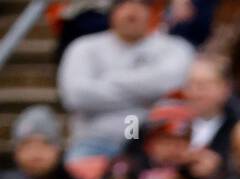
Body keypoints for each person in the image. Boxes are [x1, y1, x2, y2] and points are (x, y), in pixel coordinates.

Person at [57, 0, 194, 162]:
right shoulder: (83, 47)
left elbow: (173, 83)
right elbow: (76, 96)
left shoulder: (176, 48)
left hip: (155, 148)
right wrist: (144, 95)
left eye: (140, 6)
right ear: (112, 13)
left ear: (151, 13)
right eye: (124, 6)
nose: (132, 12)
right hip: (92, 144)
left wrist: (111, 79)